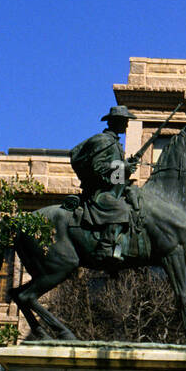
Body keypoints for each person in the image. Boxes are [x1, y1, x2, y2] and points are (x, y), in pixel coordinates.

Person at [69, 105, 140, 261]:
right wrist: (123, 166)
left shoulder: (115, 143)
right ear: (116, 122)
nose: (127, 125)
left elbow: (115, 176)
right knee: (121, 209)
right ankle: (105, 247)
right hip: (100, 191)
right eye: (125, 121)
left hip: (114, 188)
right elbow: (97, 167)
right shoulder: (103, 141)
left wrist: (127, 167)